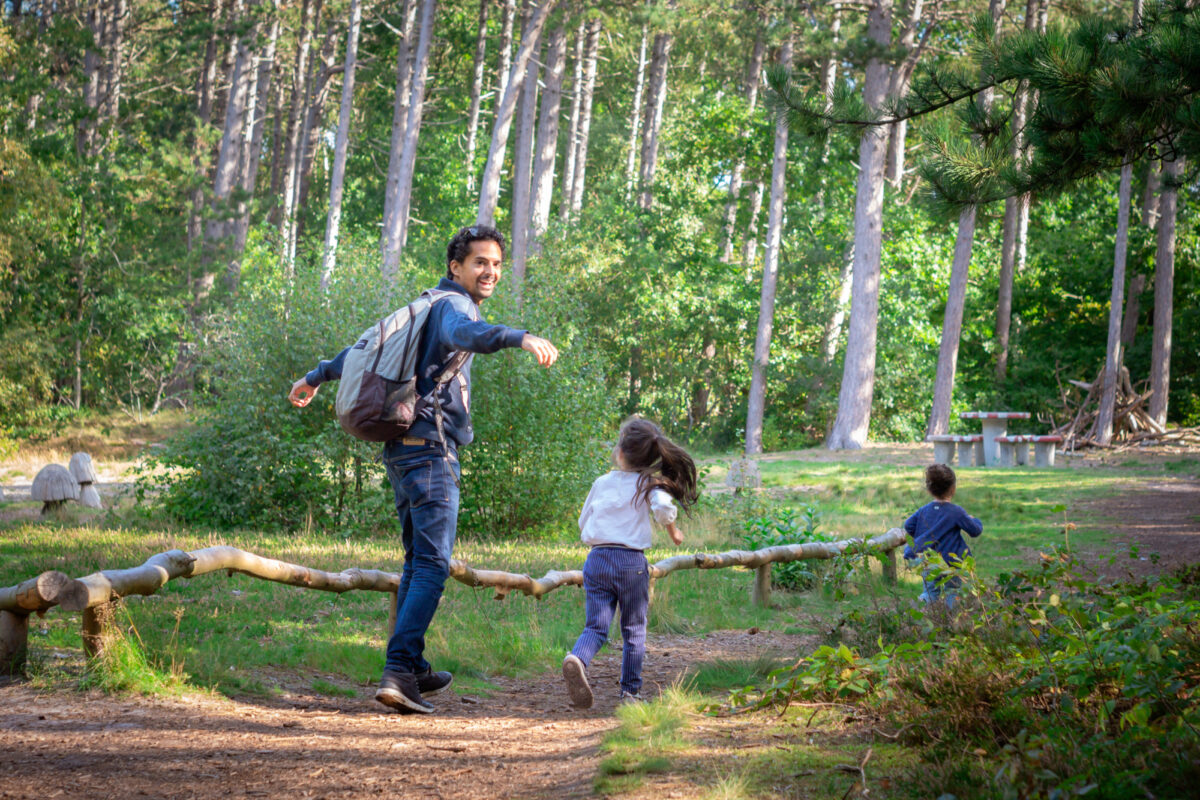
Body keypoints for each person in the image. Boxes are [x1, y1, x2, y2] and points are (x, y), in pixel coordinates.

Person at [287, 225, 559, 714]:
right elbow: (465, 334)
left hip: (401, 450)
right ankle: (398, 670)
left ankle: (412, 664)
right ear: (456, 267)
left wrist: (316, 375)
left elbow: (361, 351)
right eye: (480, 262)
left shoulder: (424, 305)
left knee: (417, 561)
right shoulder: (455, 308)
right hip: (431, 452)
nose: (490, 272)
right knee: (433, 564)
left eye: (496, 264)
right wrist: (519, 338)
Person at [561, 418, 699, 708]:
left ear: (620, 452)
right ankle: (630, 694)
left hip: (597, 559)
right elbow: (663, 508)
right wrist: (673, 531)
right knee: (634, 630)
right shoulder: (648, 485)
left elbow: (584, 521)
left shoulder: (601, 483)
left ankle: (578, 659)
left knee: (596, 627)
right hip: (630, 563)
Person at [902, 463, 983, 608]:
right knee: (953, 591)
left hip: (928, 561)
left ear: (929, 490)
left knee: (930, 593)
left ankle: (921, 610)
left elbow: (908, 525)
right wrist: (973, 520)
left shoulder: (924, 510)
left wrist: (923, 533)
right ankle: (951, 617)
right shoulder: (956, 512)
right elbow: (975, 530)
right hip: (952, 564)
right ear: (953, 489)